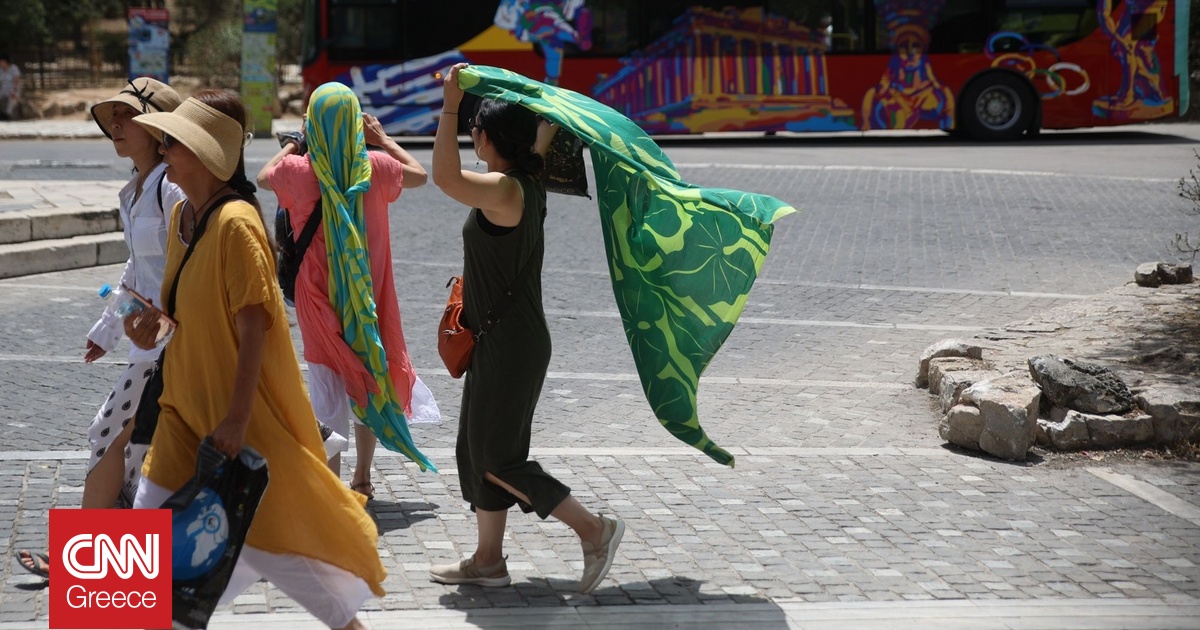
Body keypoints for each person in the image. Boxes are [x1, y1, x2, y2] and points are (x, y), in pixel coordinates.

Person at [126, 89, 384, 629]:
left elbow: (255, 330)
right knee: (145, 571)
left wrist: (238, 421)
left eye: (172, 142)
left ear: (202, 154)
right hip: (183, 417)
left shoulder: (238, 225)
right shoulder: (182, 221)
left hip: (236, 431)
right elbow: (179, 319)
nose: (163, 150)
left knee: (289, 562)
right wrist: (147, 327)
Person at [428, 62, 624, 593]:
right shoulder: (529, 173)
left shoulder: (508, 191)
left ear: (488, 138)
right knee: (473, 452)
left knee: (497, 458)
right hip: (501, 339)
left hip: (511, 343)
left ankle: (594, 529)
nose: (471, 136)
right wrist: (542, 103)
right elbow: (544, 130)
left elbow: (445, 178)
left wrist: (450, 105)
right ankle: (488, 560)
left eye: (475, 129)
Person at [12, 78, 184, 579]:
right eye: (111, 117)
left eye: (125, 116)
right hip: (146, 342)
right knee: (131, 447)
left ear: (155, 129)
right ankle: (108, 556)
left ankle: (83, 559)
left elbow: (188, 263)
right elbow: (135, 268)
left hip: (173, 343)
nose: (115, 125)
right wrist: (106, 329)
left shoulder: (172, 187)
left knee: (109, 432)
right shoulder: (133, 191)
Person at [256, 82, 439, 497]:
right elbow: (421, 176)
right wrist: (384, 139)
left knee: (326, 382)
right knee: (369, 376)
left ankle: (333, 487)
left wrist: (295, 143)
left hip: (316, 295)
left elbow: (263, 177)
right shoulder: (375, 166)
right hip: (367, 293)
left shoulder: (298, 173)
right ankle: (363, 478)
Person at [0, 53, 22, 120]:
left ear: (5, 61)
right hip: (3, 88)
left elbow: (16, 80)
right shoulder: (0, 70)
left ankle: (7, 115)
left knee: (12, 98)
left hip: (14, 88)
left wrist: (14, 90)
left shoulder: (14, 68)